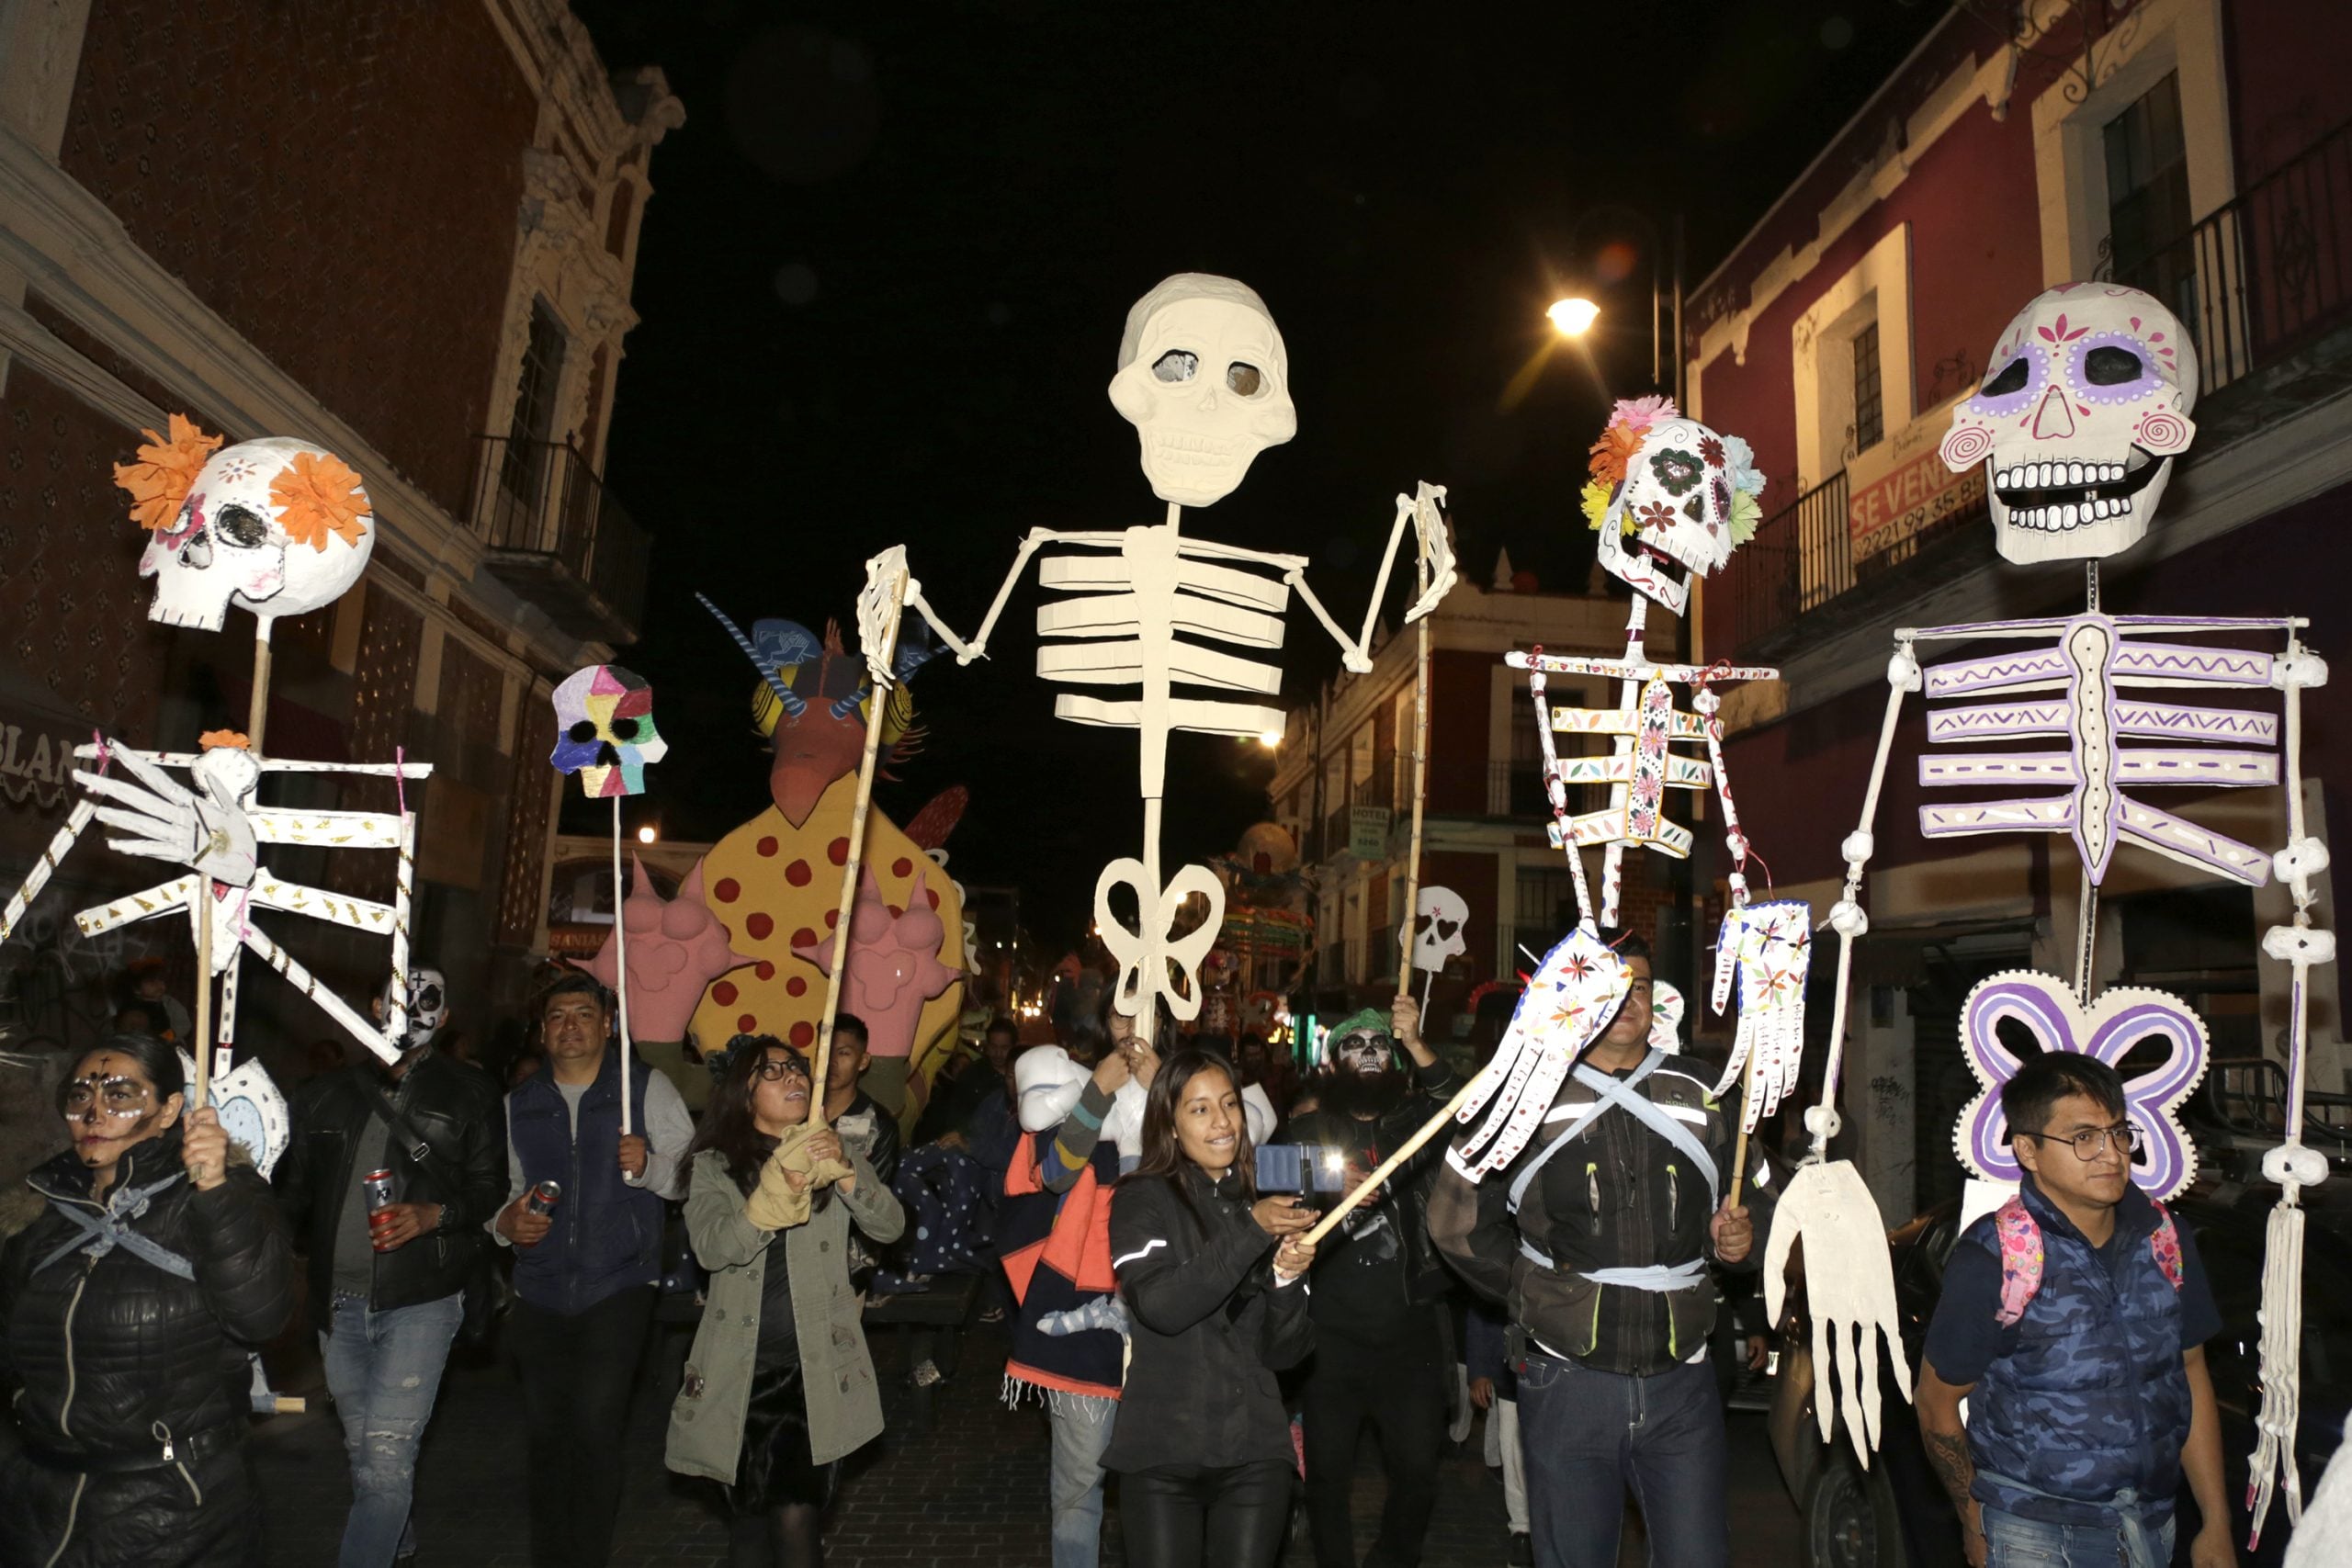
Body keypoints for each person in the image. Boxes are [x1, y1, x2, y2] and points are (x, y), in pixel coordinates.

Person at [1428, 931, 1767, 1568]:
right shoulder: (1523, 1094)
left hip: (1684, 1381)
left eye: (1638, 984)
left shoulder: (1705, 1091)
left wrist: (1742, 1242)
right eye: (1610, 985)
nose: (1627, 998)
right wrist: (1536, 1292)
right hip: (1566, 1380)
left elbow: (1760, 1199)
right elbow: (1454, 1219)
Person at [1917, 1052, 2233, 1568]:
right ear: (2028, 1150)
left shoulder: (2164, 1237)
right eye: (2083, 1137)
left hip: (2152, 1526)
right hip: (2035, 1534)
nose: (2110, 1153)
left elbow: (2190, 1371)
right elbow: (1936, 1403)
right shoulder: (1997, 1257)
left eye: (2118, 1132)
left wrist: (2215, 1522)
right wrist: (1972, 1519)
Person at [0, 1032, 295, 1566]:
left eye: (119, 1095)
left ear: (169, 1110)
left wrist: (216, 1194)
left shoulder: (215, 1198)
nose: (93, 1114)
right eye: (79, 1097)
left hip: (174, 1509)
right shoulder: (36, 1212)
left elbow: (260, 1317)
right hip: (41, 1509)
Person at [276, 976, 507, 1568]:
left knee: (384, 1456)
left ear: (445, 1013)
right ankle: (395, 1542)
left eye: (427, 1000)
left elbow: (489, 1189)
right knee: (364, 1453)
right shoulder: (322, 1095)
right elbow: (290, 1195)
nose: (409, 1011)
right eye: (397, 997)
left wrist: (437, 1214)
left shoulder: (472, 1092)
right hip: (340, 1304)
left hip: (423, 1300)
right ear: (374, 1007)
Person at [666, 1036, 904, 1568]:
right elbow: (712, 1247)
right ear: (744, 1094)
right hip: (740, 1372)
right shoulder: (714, 1166)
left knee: (797, 1516)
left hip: (811, 1371)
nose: (794, 1077)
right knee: (749, 1526)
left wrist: (846, 1170)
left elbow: (890, 1224)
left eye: (796, 1068)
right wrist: (774, 1194)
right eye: (773, 1071)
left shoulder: (833, 1149)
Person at [492, 967, 697, 1568]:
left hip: (618, 1282)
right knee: (547, 1435)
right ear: (542, 1031)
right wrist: (506, 1221)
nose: (570, 1026)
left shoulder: (644, 1087)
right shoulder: (519, 1105)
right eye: (557, 1016)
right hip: (538, 1288)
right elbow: (498, 1192)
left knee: (595, 1424)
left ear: (609, 1024)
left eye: (584, 1013)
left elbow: (692, 1173)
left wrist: (651, 1164)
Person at [1105, 1046, 1318, 1568]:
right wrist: (1252, 1231)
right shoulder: (1141, 1199)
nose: (1222, 1122)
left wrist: (1288, 1279)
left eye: (1229, 1104)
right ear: (1171, 1125)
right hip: (1161, 1448)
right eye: (1199, 1109)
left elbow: (1287, 1351)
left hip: (1254, 1448)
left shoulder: (1268, 1199)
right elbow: (1162, 1306)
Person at [1281, 998, 1462, 1568]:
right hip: (1329, 1340)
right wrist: (1329, 1177)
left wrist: (1415, 1041)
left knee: (1418, 1473)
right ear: (1333, 1063)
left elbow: (1464, 1107)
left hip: (1409, 1335)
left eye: (1378, 1045)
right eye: (1353, 1046)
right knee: (1327, 1477)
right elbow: (1263, 1173)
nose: (1367, 1054)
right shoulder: (1309, 1127)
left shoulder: (1416, 1123)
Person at [1001, 1016, 1139, 1568]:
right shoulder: (1068, 1091)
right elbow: (1056, 1169)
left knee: (1162, 1488)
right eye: (1122, 1008)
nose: (1133, 1019)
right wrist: (1100, 1090)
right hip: (1083, 1322)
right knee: (1080, 1492)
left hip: (1168, 1321)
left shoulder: (1181, 1093)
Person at [125, 957, 192, 1043]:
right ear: (136, 989)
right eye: (151, 982)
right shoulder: (132, 1006)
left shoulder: (170, 1003)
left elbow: (184, 1023)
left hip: (169, 1045)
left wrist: (171, 1034)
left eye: (161, 980)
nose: (158, 985)